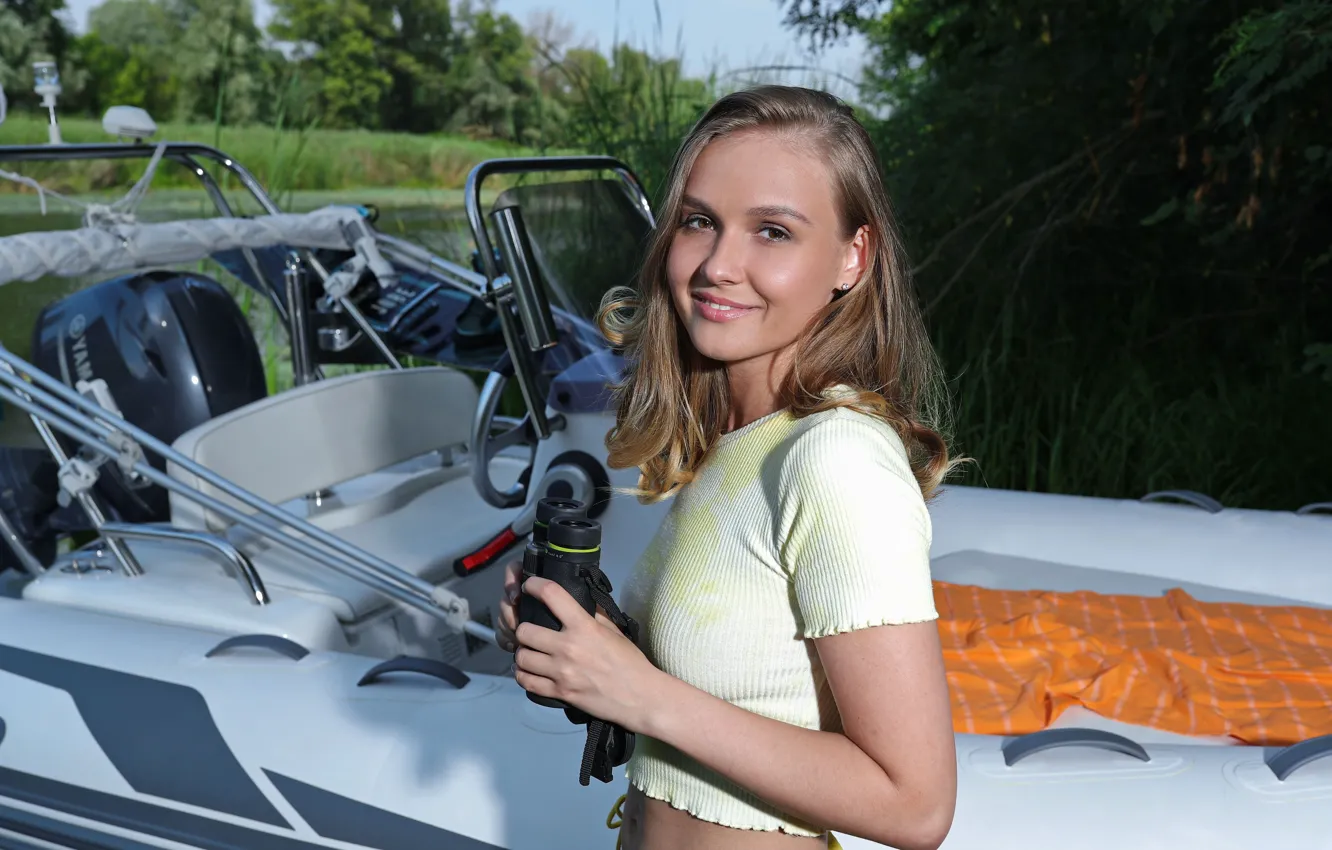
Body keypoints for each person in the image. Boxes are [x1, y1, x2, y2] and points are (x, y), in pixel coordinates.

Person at [495, 85, 960, 850]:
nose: (718, 265)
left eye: (772, 231)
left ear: (853, 257)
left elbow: (914, 806)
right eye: (699, 221)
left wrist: (639, 692)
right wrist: (584, 645)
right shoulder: (742, 437)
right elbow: (743, 678)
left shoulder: (834, 456)